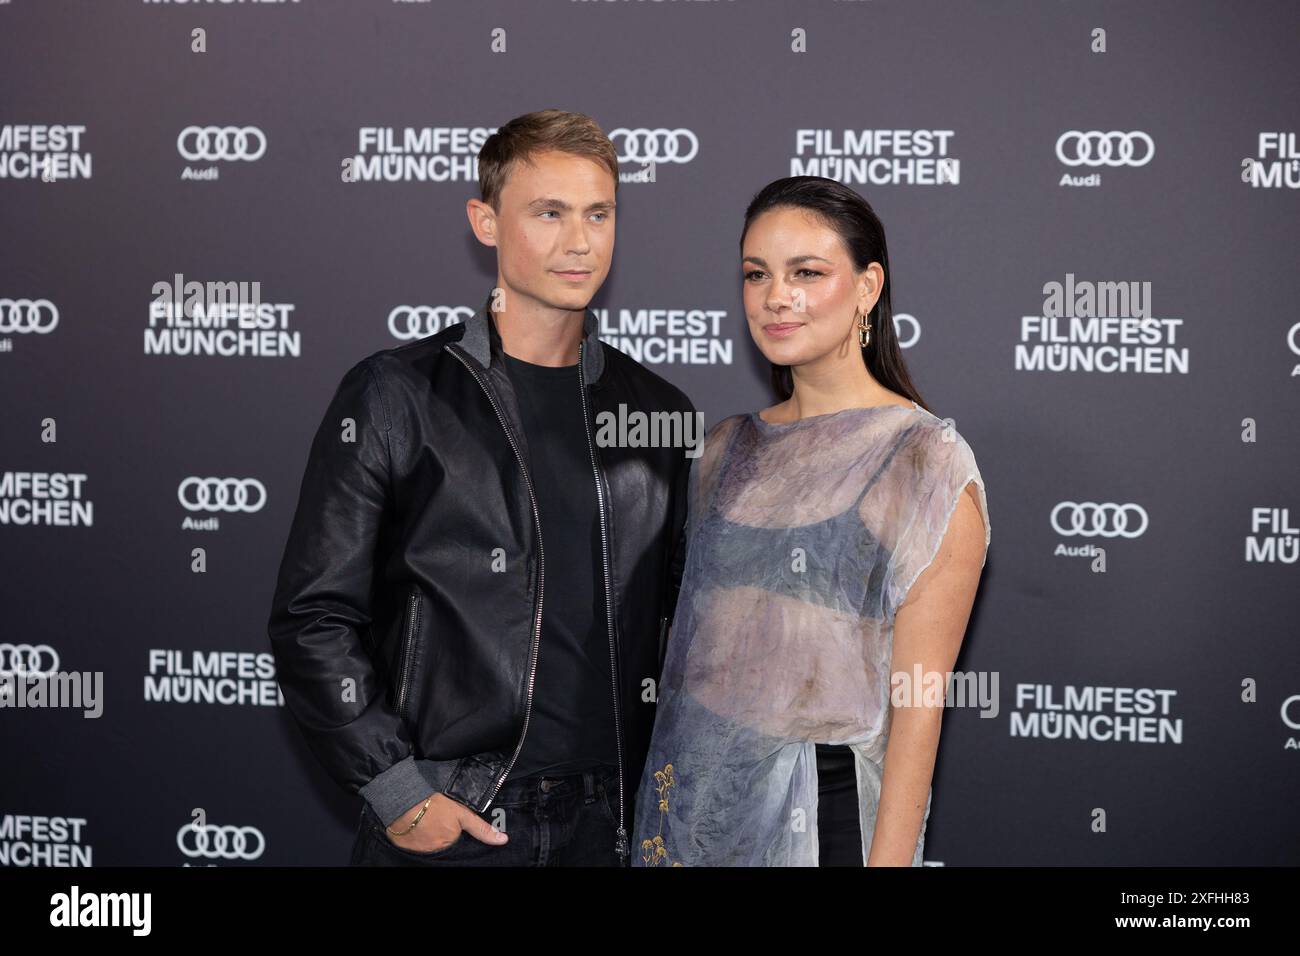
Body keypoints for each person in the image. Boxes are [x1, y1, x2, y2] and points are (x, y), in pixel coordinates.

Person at [267, 110, 695, 866]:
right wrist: (398, 790)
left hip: (613, 821)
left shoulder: (657, 412)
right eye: (549, 213)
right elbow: (314, 616)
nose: (580, 241)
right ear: (485, 222)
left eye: (599, 214)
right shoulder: (397, 396)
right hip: (460, 814)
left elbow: (680, 622)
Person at [632, 176, 991, 867]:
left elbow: (917, 718)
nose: (776, 296)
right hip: (683, 812)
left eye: (807, 272)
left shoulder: (925, 462)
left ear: (867, 287)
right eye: (757, 274)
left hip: (821, 822)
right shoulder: (720, 451)